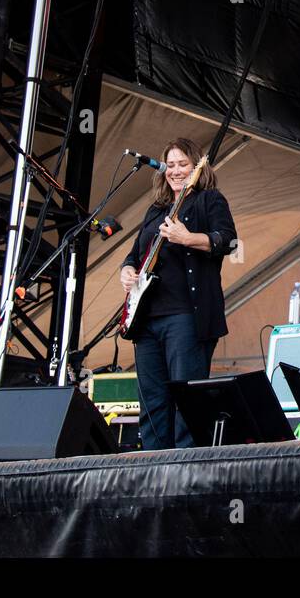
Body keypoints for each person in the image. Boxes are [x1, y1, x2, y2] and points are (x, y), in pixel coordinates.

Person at [119, 137, 236, 450]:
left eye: (182, 163)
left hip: (186, 317)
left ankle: (186, 479)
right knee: (152, 406)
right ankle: (154, 478)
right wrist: (126, 272)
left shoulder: (209, 200)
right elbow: (133, 256)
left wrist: (187, 238)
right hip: (147, 321)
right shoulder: (155, 211)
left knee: (187, 402)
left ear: (197, 167)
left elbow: (228, 241)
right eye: (170, 165)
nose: (175, 170)